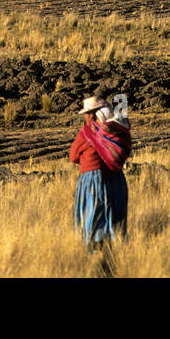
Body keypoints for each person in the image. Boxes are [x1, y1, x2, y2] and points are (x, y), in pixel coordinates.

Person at [69, 95, 132, 249]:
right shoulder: (117, 130)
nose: (85, 117)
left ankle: (96, 254)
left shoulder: (87, 132)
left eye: (87, 113)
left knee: (93, 218)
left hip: (93, 180)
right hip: (116, 179)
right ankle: (115, 251)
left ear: (93, 114)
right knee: (115, 218)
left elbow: (73, 156)